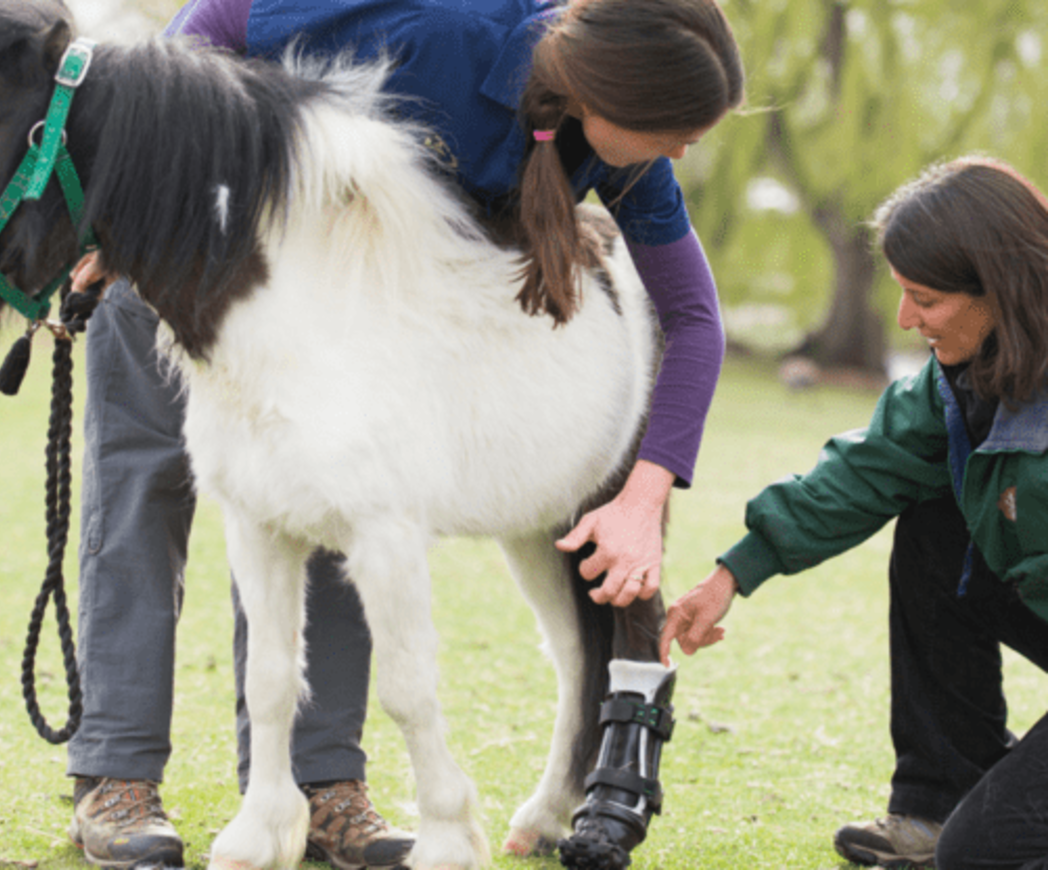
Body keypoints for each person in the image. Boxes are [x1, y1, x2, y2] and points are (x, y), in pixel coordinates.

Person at [67, 0, 743, 867]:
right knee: (146, 485)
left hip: (326, 314)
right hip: (186, 260)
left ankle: (322, 786)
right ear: (615, 90)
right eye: (676, 132)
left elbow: (695, 318)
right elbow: (222, 17)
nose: (681, 153)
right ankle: (117, 776)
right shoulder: (439, 23)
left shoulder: (621, 151)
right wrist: (144, 192)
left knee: (343, 501)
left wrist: (644, 496)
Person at [660, 156, 1048, 870]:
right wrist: (732, 574)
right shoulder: (962, 377)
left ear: (999, 287)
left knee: (983, 856)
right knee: (934, 521)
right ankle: (938, 799)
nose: (905, 319)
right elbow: (868, 468)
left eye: (925, 298)